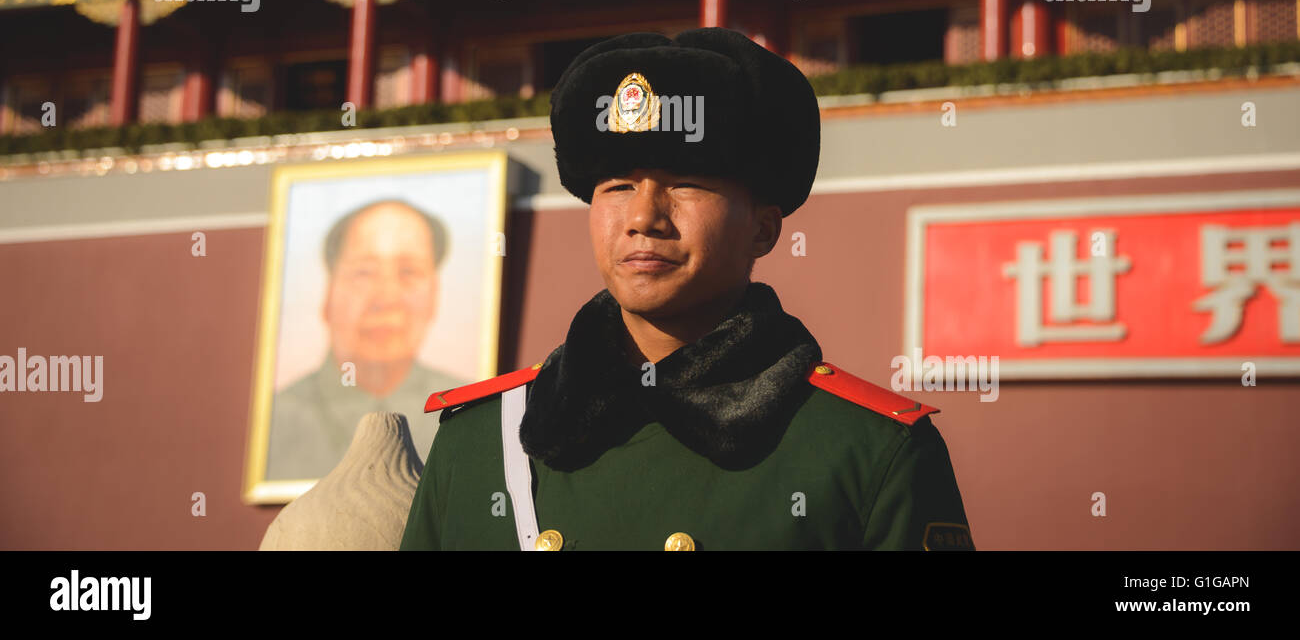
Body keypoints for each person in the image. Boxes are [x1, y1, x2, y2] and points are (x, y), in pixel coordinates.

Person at [400, 28, 973, 550]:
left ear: (764, 229)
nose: (644, 216)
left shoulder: (868, 452)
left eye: (687, 184)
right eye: (619, 184)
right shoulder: (479, 443)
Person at [266, 199, 462, 480]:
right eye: (364, 272)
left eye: (408, 272)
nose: (385, 299)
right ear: (328, 292)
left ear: (434, 296)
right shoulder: (280, 418)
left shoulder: (462, 413)